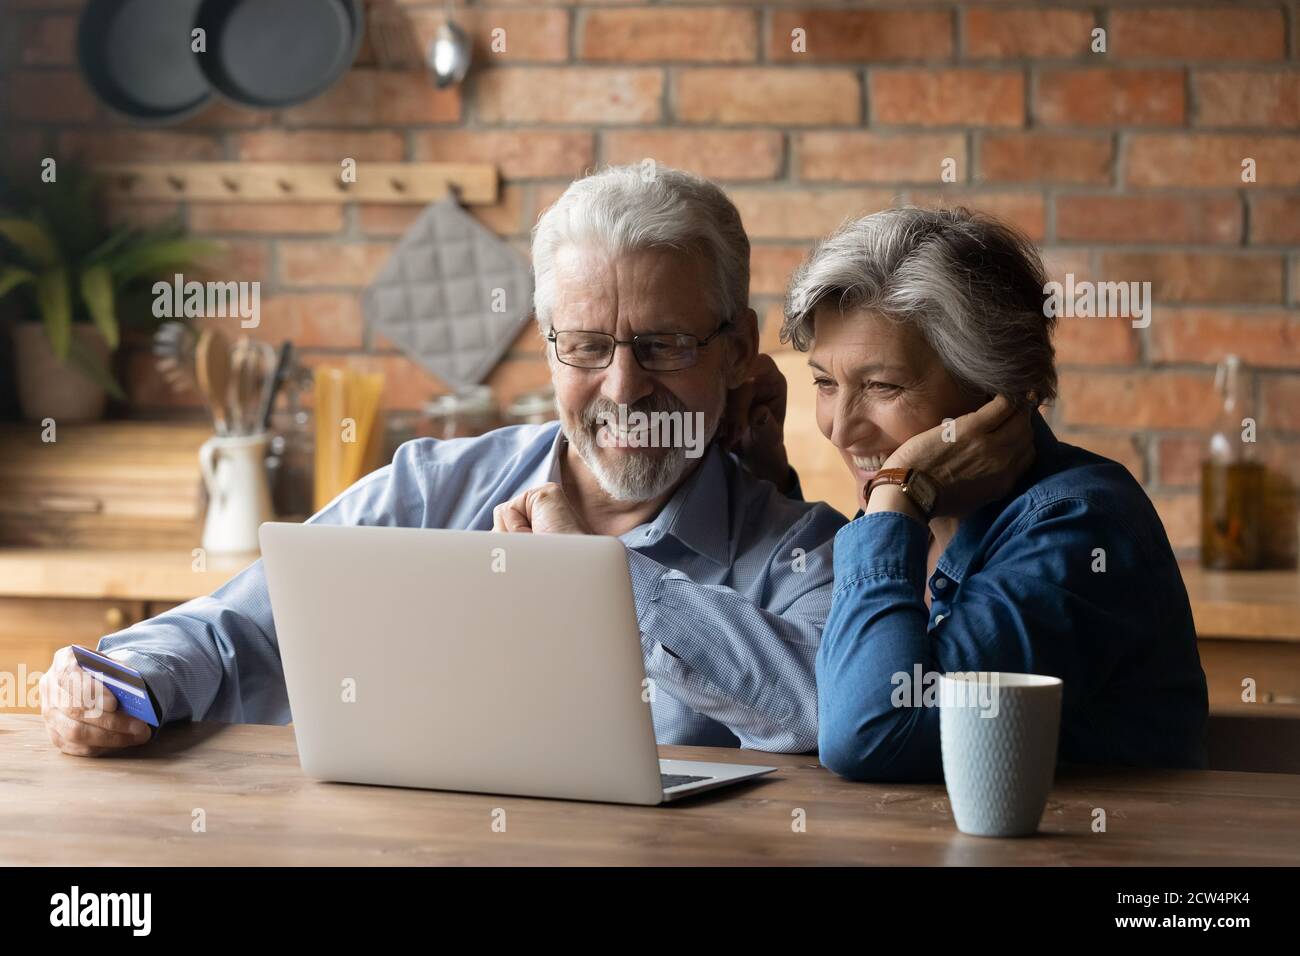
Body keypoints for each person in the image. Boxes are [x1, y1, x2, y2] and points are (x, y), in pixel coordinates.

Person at [39, 164, 846, 757]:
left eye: (664, 346)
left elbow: (826, 708)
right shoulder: (430, 489)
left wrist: (596, 576)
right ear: (550, 349)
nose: (623, 387)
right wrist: (123, 683)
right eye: (588, 347)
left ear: (736, 348)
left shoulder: (801, 550)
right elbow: (234, 631)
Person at [777, 206, 1208, 780]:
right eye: (826, 384)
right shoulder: (915, 518)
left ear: (994, 388)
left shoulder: (1079, 528)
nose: (839, 427)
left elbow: (871, 734)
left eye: (882, 386)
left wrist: (898, 492)